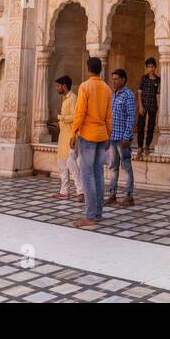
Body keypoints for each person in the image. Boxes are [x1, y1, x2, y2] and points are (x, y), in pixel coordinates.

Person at [70, 57, 112, 228]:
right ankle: (98, 213)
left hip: (88, 136)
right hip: (102, 135)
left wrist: (73, 132)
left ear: (88, 69)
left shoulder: (85, 86)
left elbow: (80, 112)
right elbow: (109, 116)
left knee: (87, 176)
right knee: (98, 175)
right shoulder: (107, 88)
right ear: (100, 70)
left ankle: (89, 215)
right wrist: (108, 134)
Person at [106, 69, 136, 207]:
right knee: (113, 167)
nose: (114, 81)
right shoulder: (113, 95)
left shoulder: (128, 95)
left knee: (127, 167)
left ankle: (129, 196)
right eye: (113, 79)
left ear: (123, 80)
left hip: (123, 139)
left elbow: (131, 117)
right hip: (112, 137)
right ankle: (112, 195)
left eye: (117, 79)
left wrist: (127, 136)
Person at [54, 75, 82, 200]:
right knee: (62, 164)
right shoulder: (65, 99)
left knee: (72, 164)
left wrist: (61, 118)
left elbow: (76, 117)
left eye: (58, 86)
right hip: (63, 136)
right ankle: (64, 191)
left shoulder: (73, 98)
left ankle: (80, 191)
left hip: (71, 136)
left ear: (64, 86)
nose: (57, 88)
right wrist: (59, 123)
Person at [137, 57, 160, 153]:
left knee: (151, 127)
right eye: (149, 67)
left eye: (152, 66)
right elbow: (139, 92)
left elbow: (158, 93)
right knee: (141, 126)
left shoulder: (158, 79)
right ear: (147, 68)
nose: (151, 69)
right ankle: (139, 146)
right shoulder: (144, 78)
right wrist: (140, 106)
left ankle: (147, 146)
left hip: (153, 106)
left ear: (155, 67)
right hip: (143, 105)